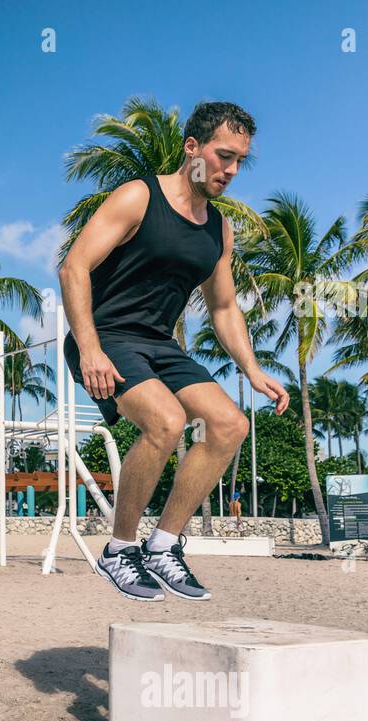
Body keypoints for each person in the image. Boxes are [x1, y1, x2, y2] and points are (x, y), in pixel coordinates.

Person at [58, 101, 289, 601]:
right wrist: (92, 349)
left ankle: (163, 545)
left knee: (230, 425)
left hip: (158, 344)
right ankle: (120, 550)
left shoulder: (218, 230)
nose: (230, 170)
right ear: (192, 148)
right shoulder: (138, 197)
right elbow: (73, 267)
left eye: (239, 161)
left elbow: (224, 308)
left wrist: (251, 370)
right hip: (103, 337)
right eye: (223, 156)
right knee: (166, 421)